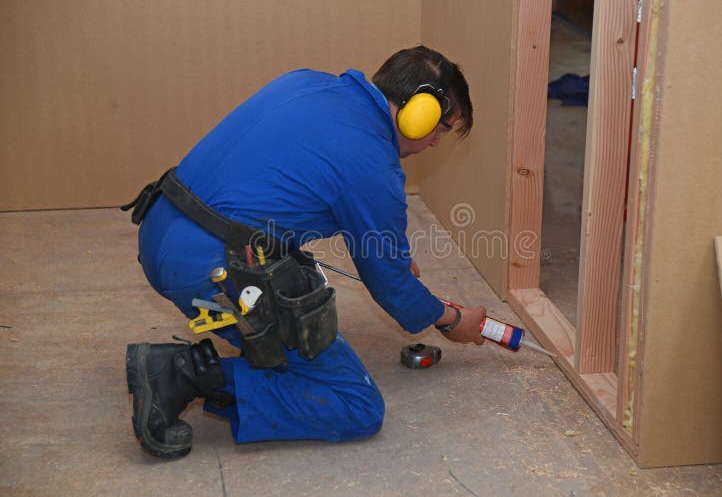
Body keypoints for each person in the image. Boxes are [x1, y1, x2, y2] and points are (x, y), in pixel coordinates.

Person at [122, 45, 486, 459]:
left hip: (159, 228)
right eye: (441, 128)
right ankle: (179, 375)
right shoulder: (373, 163)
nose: (437, 142)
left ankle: (229, 359)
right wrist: (449, 318)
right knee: (356, 405)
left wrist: (388, 255)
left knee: (297, 281)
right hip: (205, 269)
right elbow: (394, 290)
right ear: (417, 112)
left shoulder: (308, 82)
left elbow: (284, 191)